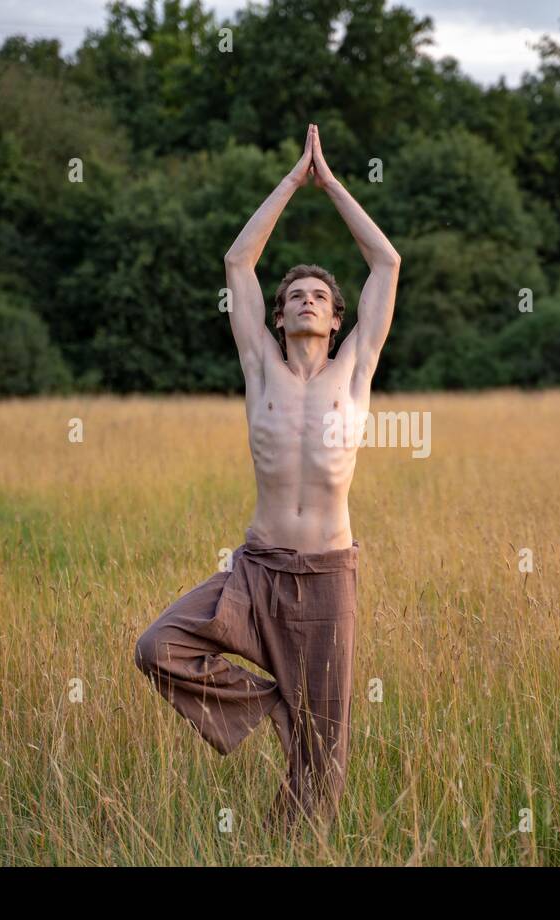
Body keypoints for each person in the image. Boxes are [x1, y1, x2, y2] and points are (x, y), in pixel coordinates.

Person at [134, 124, 401, 835]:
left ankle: (284, 849)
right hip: (256, 569)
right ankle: (267, 705)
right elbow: (237, 261)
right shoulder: (260, 368)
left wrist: (332, 182)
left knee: (325, 752)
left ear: (338, 318)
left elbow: (385, 262)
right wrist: (291, 180)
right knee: (158, 647)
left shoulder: (356, 369)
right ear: (277, 316)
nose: (307, 300)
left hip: (327, 576)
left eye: (320, 295)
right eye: (296, 296)